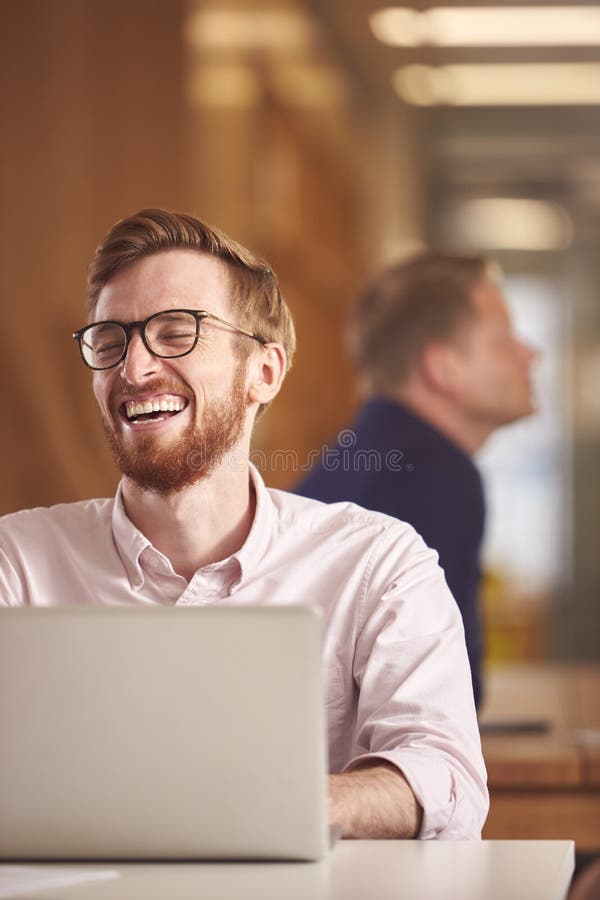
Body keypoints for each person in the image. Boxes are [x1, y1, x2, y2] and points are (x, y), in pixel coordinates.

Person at [0, 210, 488, 840]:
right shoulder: (16, 565)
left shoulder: (379, 565)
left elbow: (444, 778)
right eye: (110, 340)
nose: (133, 368)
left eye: (175, 332)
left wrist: (267, 803)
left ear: (265, 372)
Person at [296, 252, 537, 709]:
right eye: (504, 340)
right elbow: (449, 695)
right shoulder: (434, 471)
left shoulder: (361, 454)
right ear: (442, 367)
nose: (530, 354)